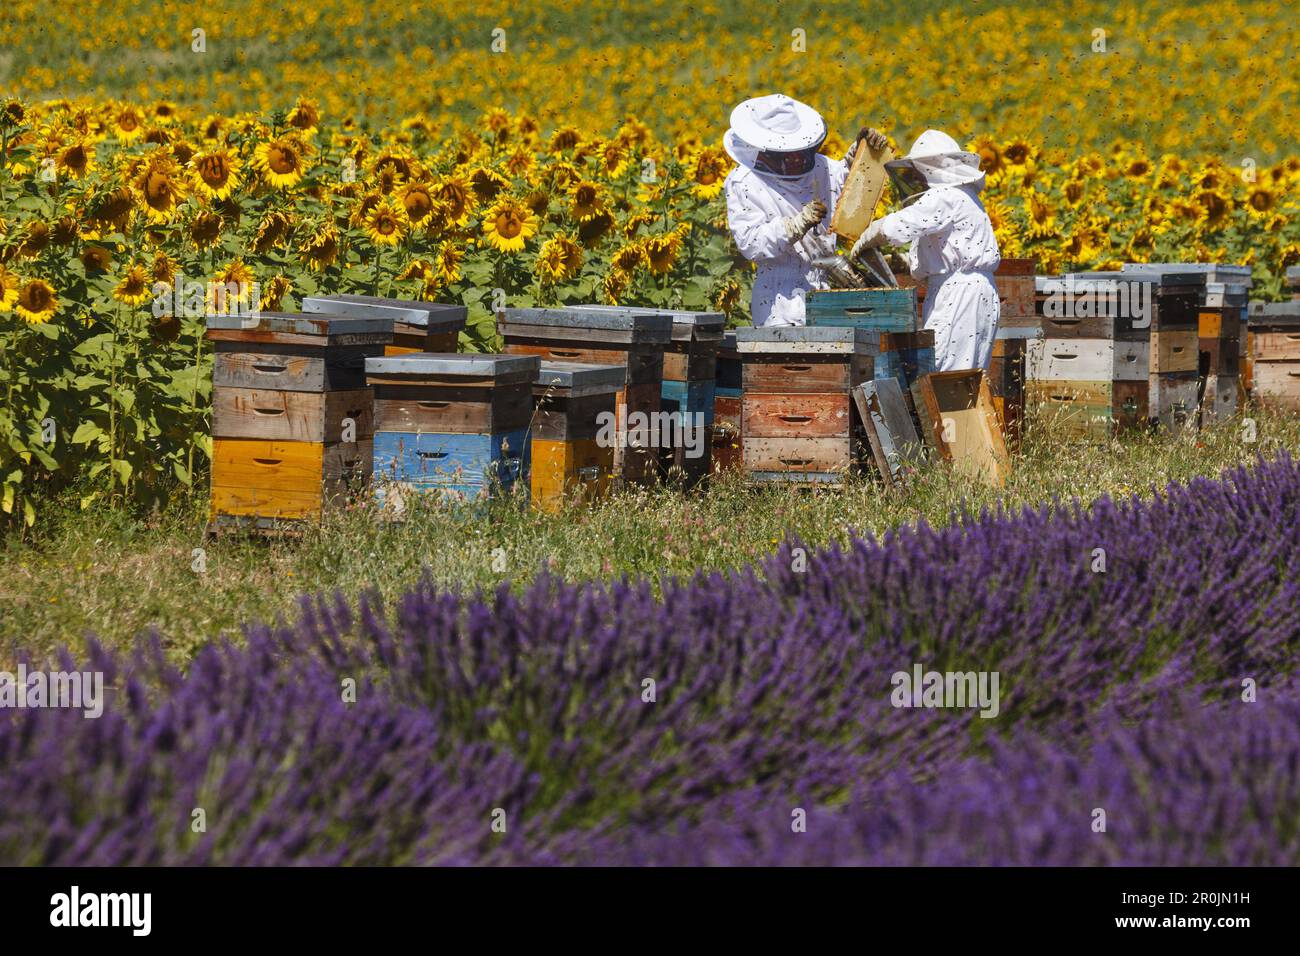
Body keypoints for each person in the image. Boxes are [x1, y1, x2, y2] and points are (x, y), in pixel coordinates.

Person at [724, 94, 887, 327]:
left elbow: (847, 191)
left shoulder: (820, 166)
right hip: (777, 298)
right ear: (767, 150)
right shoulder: (744, 181)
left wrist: (861, 157)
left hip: (825, 288)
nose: (796, 160)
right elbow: (751, 243)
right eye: (788, 154)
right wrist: (792, 226)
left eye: (800, 151)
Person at [851, 130, 1001, 370]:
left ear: (930, 167)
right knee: (964, 374)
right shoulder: (964, 195)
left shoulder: (946, 195)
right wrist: (906, 262)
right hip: (969, 291)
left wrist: (870, 234)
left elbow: (899, 226)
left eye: (918, 170)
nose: (916, 178)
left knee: (943, 370)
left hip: (959, 294)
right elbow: (946, 246)